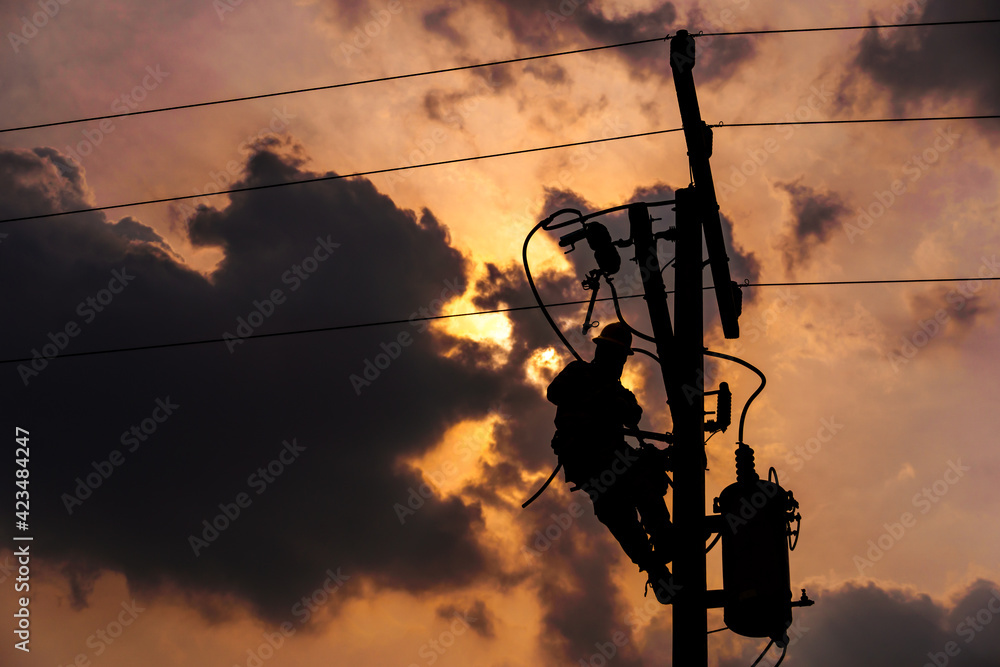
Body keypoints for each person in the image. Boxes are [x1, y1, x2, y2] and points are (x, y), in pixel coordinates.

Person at [546, 322, 676, 603]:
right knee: (621, 512)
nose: (616, 362)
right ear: (601, 351)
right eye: (612, 354)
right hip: (588, 459)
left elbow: (634, 414)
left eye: (620, 357)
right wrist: (595, 396)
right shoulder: (579, 372)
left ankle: (662, 540)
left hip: (612, 460)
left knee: (643, 473)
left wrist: (616, 401)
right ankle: (656, 568)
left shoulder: (619, 391)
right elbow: (553, 393)